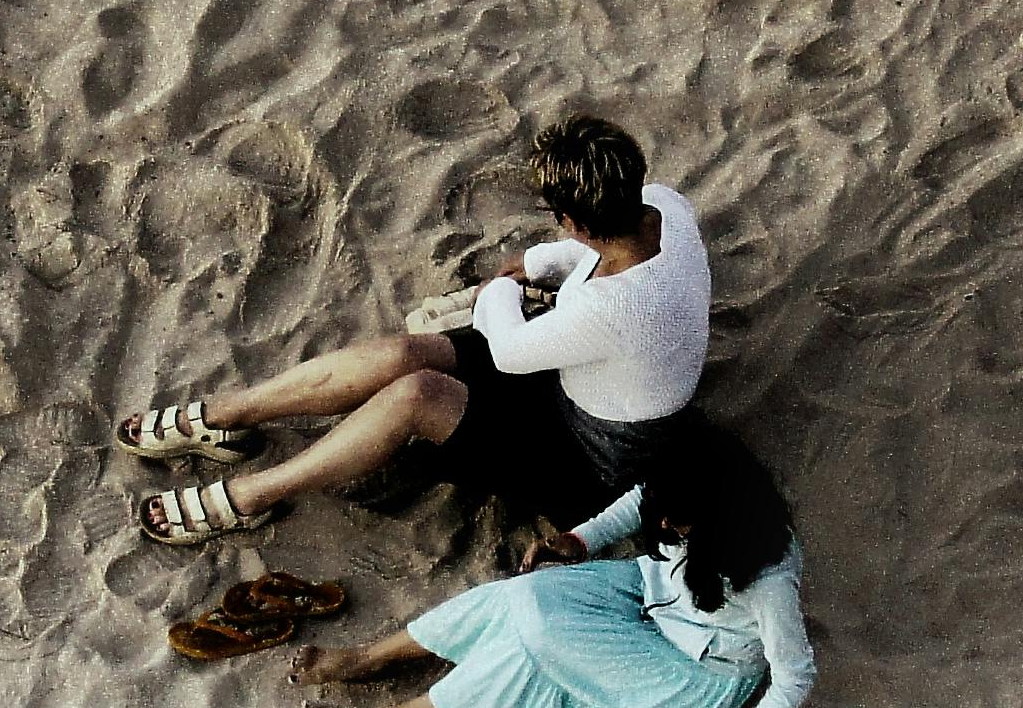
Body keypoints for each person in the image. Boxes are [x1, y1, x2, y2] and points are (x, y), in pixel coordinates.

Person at [120, 116, 711, 548]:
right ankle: (230, 414)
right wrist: (537, 263)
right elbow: (581, 257)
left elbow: (506, 351)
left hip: (595, 459)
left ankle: (254, 495)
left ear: (575, 218)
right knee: (407, 352)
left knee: (417, 397)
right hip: (578, 375)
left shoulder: (615, 308)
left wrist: (498, 290)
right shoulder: (663, 206)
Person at [283, 422, 812, 708]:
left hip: (692, 671)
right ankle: (370, 658)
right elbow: (641, 505)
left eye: (680, 521)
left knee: (538, 639)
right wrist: (577, 541)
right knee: (524, 594)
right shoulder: (686, 484)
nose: (666, 525)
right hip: (652, 590)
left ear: (721, 519)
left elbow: (793, 678)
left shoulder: (768, 583)